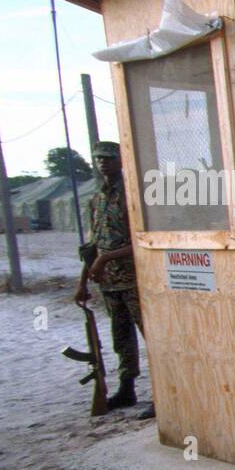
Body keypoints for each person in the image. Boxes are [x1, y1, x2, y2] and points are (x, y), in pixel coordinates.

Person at [75, 141, 151, 416]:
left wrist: (104, 259)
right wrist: (83, 282)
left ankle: (163, 393)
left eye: (108, 158)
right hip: (109, 282)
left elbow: (143, 240)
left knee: (151, 338)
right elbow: (92, 245)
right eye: (98, 159)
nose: (103, 163)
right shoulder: (97, 199)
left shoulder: (134, 195)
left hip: (136, 279)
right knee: (121, 338)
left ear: (121, 161)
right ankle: (127, 388)